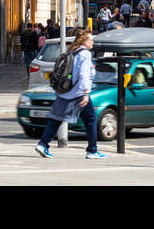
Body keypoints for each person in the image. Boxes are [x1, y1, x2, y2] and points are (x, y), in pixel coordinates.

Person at [35, 30, 105, 159]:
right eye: (91, 40)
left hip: (65, 92)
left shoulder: (73, 51)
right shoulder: (85, 54)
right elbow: (84, 75)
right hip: (78, 93)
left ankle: (43, 144)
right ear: (84, 41)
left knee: (56, 119)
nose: (93, 42)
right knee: (91, 121)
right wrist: (86, 93)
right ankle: (92, 150)